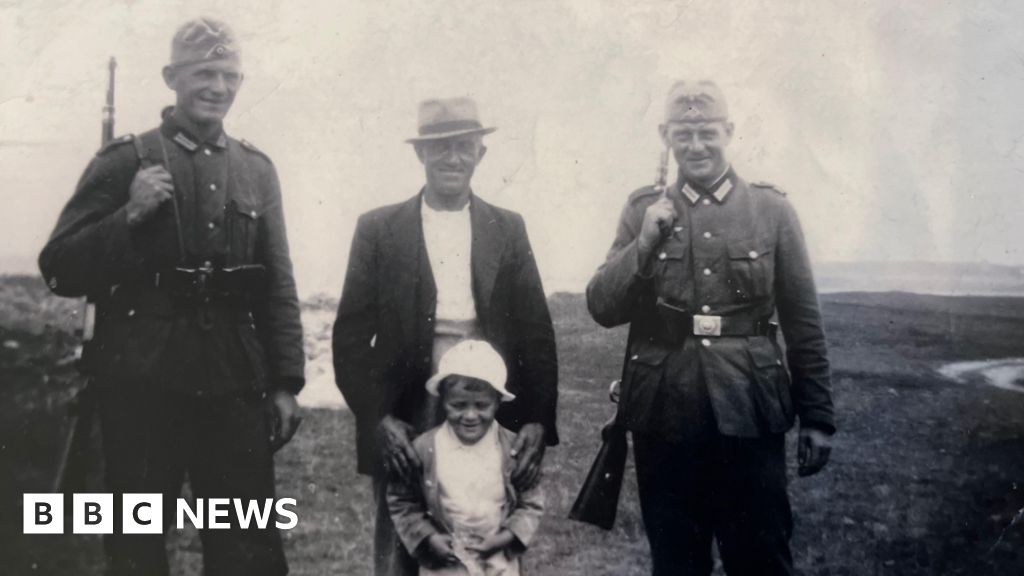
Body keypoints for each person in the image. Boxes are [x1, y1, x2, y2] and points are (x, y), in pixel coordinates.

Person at [38, 18, 304, 576]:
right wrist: (128, 216)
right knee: (135, 546)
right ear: (171, 77)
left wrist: (284, 383)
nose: (218, 87)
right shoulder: (125, 161)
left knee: (248, 546)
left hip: (234, 380)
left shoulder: (256, 170)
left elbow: (276, 283)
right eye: (204, 73)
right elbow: (59, 267)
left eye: (230, 75)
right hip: (140, 382)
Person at [586, 80, 836, 575]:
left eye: (707, 133)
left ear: (729, 131)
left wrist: (818, 417)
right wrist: (643, 246)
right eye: (684, 135)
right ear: (666, 136)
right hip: (664, 415)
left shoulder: (772, 210)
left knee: (762, 558)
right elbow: (602, 306)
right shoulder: (641, 210)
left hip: (750, 410)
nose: (696, 146)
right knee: (677, 561)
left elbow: (803, 320)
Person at [332, 97, 558, 576]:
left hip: (484, 400)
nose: (452, 158)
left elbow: (535, 329)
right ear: (420, 153)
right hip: (406, 405)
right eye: (439, 147)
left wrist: (537, 419)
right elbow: (350, 336)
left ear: (480, 153)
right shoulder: (378, 229)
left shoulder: (507, 227)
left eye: (463, 146)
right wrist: (378, 419)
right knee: (403, 535)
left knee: (488, 527)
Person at [387, 340, 545, 576]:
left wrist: (505, 538)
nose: (470, 415)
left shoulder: (512, 449)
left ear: (497, 402)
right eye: (459, 405)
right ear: (443, 400)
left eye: (481, 405)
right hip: (446, 567)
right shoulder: (425, 448)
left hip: (498, 565)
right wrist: (428, 537)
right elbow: (402, 501)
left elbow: (531, 503)